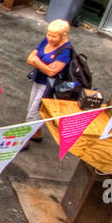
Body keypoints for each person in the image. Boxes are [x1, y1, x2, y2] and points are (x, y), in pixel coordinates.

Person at [23, 19, 72, 148]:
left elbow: (51, 72)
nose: (49, 38)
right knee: (31, 108)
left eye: (54, 36)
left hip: (48, 86)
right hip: (38, 80)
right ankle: (37, 134)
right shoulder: (48, 40)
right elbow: (29, 58)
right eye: (48, 34)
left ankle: (23, 141)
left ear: (63, 36)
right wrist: (43, 65)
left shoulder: (65, 51)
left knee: (33, 113)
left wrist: (37, 62)